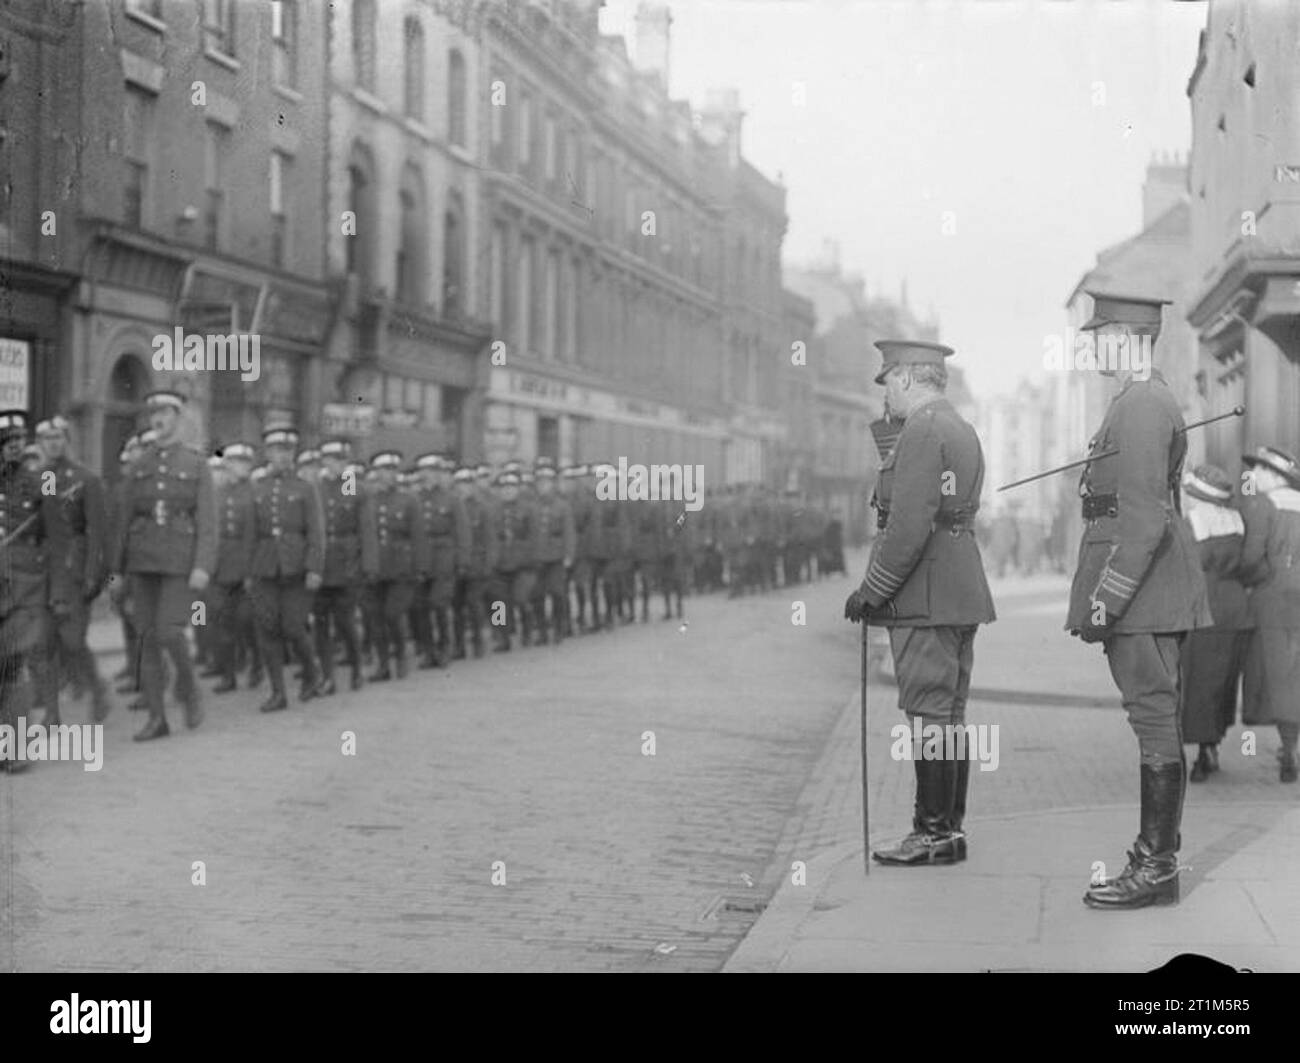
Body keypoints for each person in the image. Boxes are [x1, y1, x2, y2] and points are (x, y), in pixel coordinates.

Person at [1065, 292, 1211, 910]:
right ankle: (1154, 860)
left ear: (1126, 337)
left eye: (1099, 335)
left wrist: (1109, 598)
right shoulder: (1134, 401)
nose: (1091, 345)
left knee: (1153, 721)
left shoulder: (1144, 406)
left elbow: (1146, 518)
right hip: (1145, 592)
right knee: (1151, 719)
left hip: (1145, 594)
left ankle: (1156, 868)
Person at [845, 340, 995, 866]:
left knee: (931, 716)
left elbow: (908, 524)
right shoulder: (957, 427)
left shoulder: (923, 431)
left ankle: (931, 835)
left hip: (924, 593)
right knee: (949, 715)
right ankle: (948, 831)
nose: (885, 391)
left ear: (907, 377)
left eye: (888, 381)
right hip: (958, 588)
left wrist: (872, 591)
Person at [107, 390, 216, 740]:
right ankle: (157, 718)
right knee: (147, 639)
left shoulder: (196, 464)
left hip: (179, 563)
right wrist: (116, 571)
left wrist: (202, 565)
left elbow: (208, 522)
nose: (157, 418)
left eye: (165, 412)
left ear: (177, 417)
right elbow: (124, 522)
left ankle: (189, 688)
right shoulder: (140, 464)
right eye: (152, 412)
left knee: (169, 631)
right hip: (142, 562)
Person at [0, 411, 67, 772]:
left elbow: (58, 541)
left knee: (13, 667)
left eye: (16, 443)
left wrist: (57, 592)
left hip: (23, 593)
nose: (12, 450)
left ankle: (13, 750)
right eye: (5, 444)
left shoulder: (42, 484)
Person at [33, 414, 109, 725]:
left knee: (73, 640)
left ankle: (98, 689)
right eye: (47, 439)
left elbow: (97, 531)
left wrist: (94, 573)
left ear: (67, 440)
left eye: (58, 437)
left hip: (74, 570)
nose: (53, 443)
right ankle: (52, 712)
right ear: (40, 444)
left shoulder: (86, 479)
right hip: (44, 572)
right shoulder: (36, 479)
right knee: (44, 643)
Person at [1177, 464, 1251, 781]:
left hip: (1202, 610)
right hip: (1234, 612)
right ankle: (1213, 743)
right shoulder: (1236, 522)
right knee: (1222, 684)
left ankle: (1202, 754)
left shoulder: (1191, 523)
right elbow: (1248, 565)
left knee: (1198, 684)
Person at [247, 425, 326, 712]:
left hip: (296, 567)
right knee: (267, 629)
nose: (282, 456)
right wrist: (248, 571)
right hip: (265, 566)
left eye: (287, 451)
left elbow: (316, 533)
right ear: (268, 453)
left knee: (293, 627)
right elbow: (250, 533)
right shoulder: (258, 488)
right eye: (277, 451)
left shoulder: (305, 488)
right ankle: (278, 692)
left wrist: (315, 567)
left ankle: (312, 672)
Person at [1238, 444, 1300, 783]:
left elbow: (1251, 558)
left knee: (1276, 675)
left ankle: (1288, 746)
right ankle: (1293, 745)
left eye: (1259, 470)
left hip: (1272, 600)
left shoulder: (1263, 505)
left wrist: (1251, 582)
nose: (1253, 475)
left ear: (1274, 475)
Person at [314, 439, 376, 692]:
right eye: (331, 460)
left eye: (341, 460)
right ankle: (327, 676)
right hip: (321, 563)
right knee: (320, 622)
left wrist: (368, 565)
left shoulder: (352, 487)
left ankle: (357, 668)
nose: (336, 465)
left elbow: (367, 530)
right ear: (324, 462)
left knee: (345, 621)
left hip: (347, 564)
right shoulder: (316, 488)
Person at [366, 451, 416, 680]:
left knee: (393, 614)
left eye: (392, 471)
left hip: (401, 567)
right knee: (375, 618)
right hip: (374, 566)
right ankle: (383, 665)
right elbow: (345, 493)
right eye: (383, 471)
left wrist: (419, 567)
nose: (388, 475)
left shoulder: (408, 499)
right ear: (376, 474)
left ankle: (401, 656)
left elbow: (418, 537)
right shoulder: (368, 498)